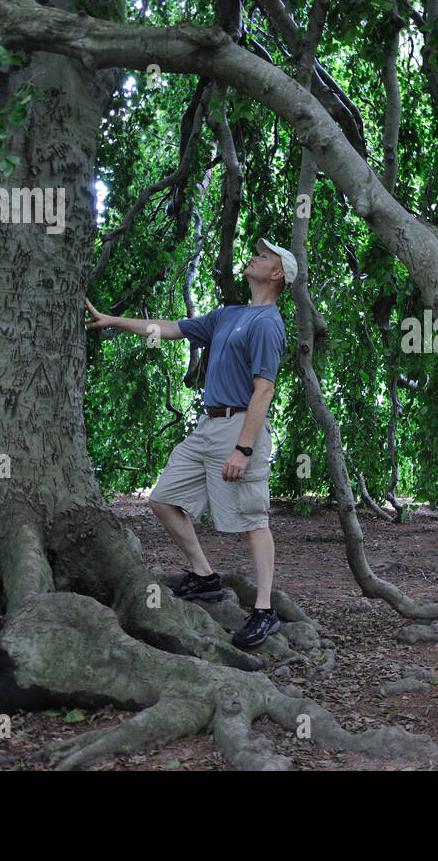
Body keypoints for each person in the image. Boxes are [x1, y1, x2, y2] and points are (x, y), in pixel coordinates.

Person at [84, 238, 295, 649]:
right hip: (207, 427)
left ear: (277, 275)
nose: (254, 255)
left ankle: (265, 611)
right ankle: (204, 577)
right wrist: (113, 320)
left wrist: (244, 448)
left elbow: (264, 390)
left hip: (239, 428)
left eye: (265, 256)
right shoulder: (228, 315)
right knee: (162, 499)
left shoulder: (269, 323)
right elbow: (169, 329)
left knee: (253, 521)